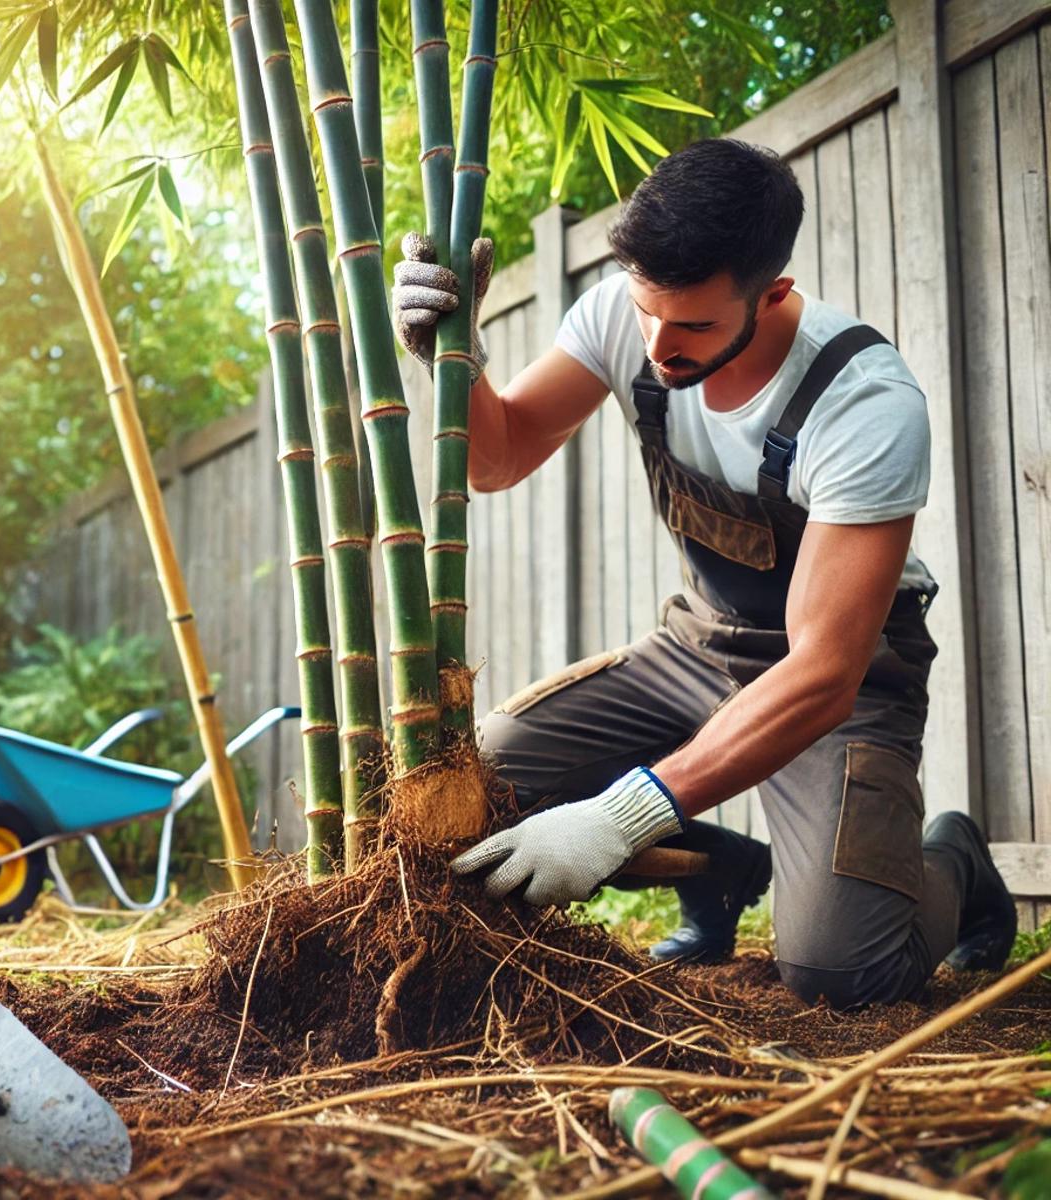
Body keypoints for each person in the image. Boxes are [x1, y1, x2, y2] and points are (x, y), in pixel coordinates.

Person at [391, 138, 1016, 1010]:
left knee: (843, 971)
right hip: (697, 643)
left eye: (694, 326)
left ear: (774, 295)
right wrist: (449, 357)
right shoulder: (623, 314)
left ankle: (956, 864)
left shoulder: (863, 401)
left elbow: (825, 672)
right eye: (648, 311)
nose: (657, 345)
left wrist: (619, 817)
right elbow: (498, 461)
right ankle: (717, 867)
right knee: (480, 776)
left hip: (846, 673)